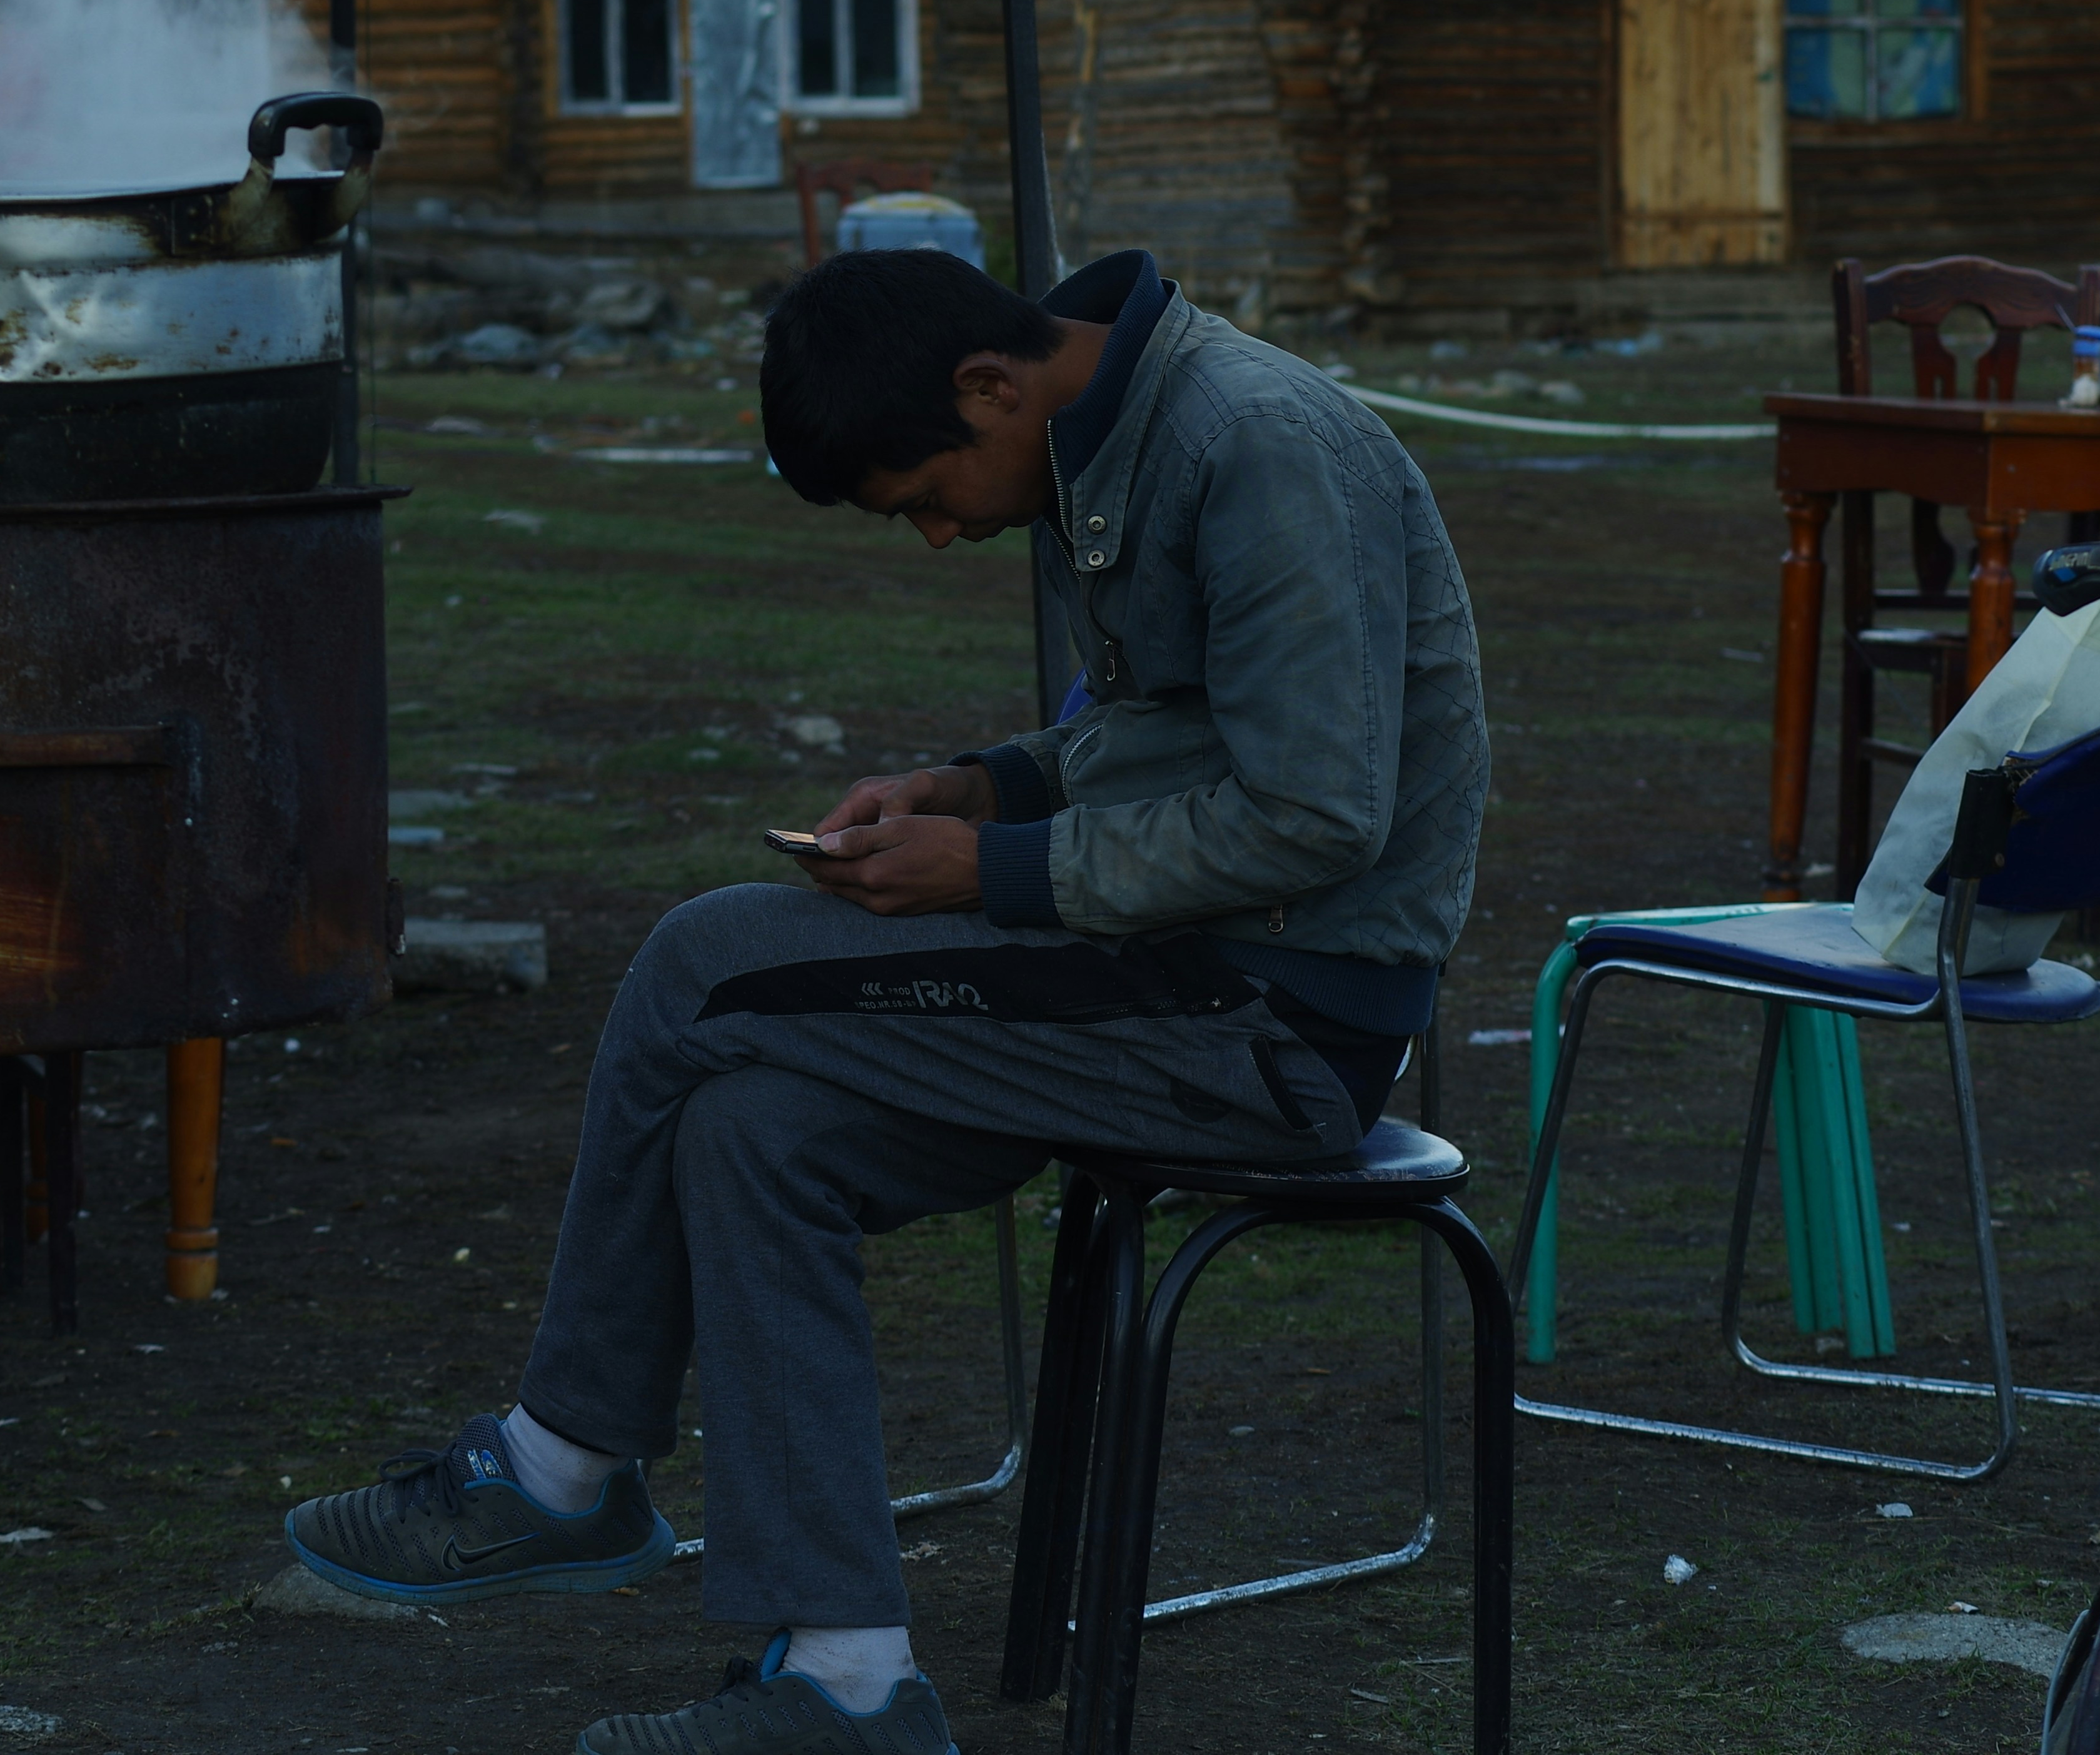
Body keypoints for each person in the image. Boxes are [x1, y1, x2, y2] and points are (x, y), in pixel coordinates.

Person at [281, 244, 1487, 1755]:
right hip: (1171, 977)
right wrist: (982, 781)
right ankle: (848, 1683)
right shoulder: (1110, 430)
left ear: (990, 386)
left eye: (921, 493)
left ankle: (559, 1469)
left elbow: (1316, 814)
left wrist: (993, 869)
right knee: (751, 1126)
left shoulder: (1254, 444)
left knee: (699, 957)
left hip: (1265, 1019)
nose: (930, 535)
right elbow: (1167, 731)